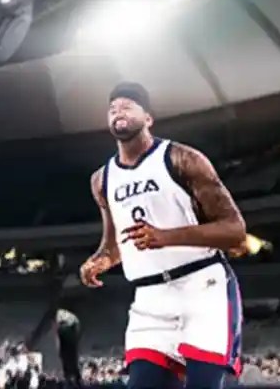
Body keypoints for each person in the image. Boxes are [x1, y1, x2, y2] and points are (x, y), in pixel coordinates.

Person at [79, 82, 247, 389]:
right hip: (150, 299)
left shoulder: (183, 159)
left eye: (128, 106)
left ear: (148, 118)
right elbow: (116, 243)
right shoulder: (101, 180)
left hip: (202, 287)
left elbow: (235, 231)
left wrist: (167, 237)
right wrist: (100, 260)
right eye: (113, 108)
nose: (119, 111)